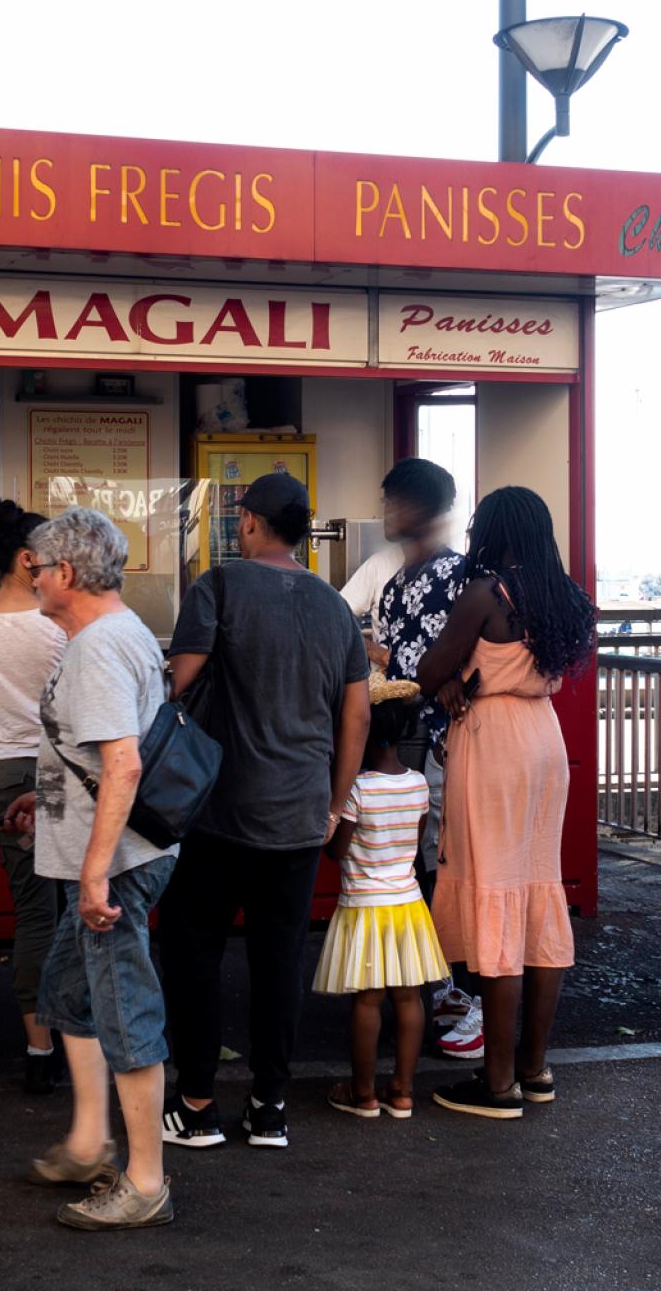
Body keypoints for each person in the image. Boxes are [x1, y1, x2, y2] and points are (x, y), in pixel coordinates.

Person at [162, 471, 371, 1151]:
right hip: (300, 816)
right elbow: (357, 715)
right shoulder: (335, 608)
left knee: (195, 951)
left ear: (249, 521)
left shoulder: (217, 588)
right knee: (279, 961)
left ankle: (197, 1106)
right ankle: (269, 1109)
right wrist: (333, 806)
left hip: (218, 812)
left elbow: (177, 683)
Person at [8, 508, 178, 1231]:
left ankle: (145, 1183)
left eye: (37, 568)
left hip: (115, 867)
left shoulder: (99, 647)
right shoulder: (113, 633)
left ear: (67, 574)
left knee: (122, 1009)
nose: (32, 579)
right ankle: (88, 1144)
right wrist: (43, 795)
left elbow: (124, 763)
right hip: (111, 855)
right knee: (69, 995)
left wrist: (95, 874)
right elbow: (95, 752)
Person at [415, 486, 596, 1120]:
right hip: (544, 739)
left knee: (495, 892)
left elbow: (428, 670)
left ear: (494, 530)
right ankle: (533, 1068)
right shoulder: (563, 595)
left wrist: (450, 683)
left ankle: (496, 1084)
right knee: (537, 893)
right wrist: (461, 681)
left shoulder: (485, 594)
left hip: (493, 743)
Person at [361, 458, 477, 1056]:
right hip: (413, 745)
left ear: (426, 510)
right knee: (426, 869)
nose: (388, 512)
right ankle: (447, 984)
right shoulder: (397, 583)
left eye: (396, 501)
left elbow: (477, 657)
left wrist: (450, 681)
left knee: (458, 867)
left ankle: (472, 994)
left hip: (455, 743)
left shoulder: (458, 575)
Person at [0, 500, 67, 1095]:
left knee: (33, 914)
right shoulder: (58, 623)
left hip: (7, 772)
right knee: (80, 905)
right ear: (29, 559)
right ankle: (81, 1036)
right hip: (65, 772)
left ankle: (38, 1049)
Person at [313, 676, 449, 1120]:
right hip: (407, 906)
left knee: (367, 1001)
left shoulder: (357, 789)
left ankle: (363, 1093)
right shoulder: (418, 785)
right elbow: (414, 844)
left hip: (365, 908)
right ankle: (404, 1092)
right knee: (409, 999)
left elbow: (336, 851)